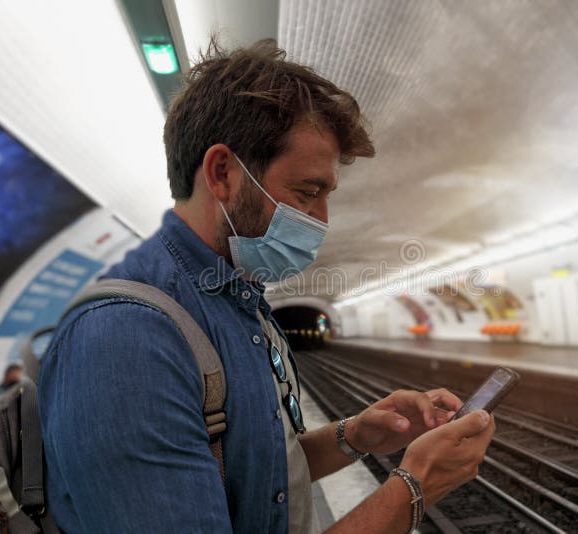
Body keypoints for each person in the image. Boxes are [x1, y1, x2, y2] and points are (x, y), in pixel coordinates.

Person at [38, 39, 496, 533]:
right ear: (222, 173)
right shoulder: (126, 339)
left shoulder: (238, 300)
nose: (322, 220)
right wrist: (413, 487)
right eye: (308, 192)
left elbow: (257, 477)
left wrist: (355, 435)